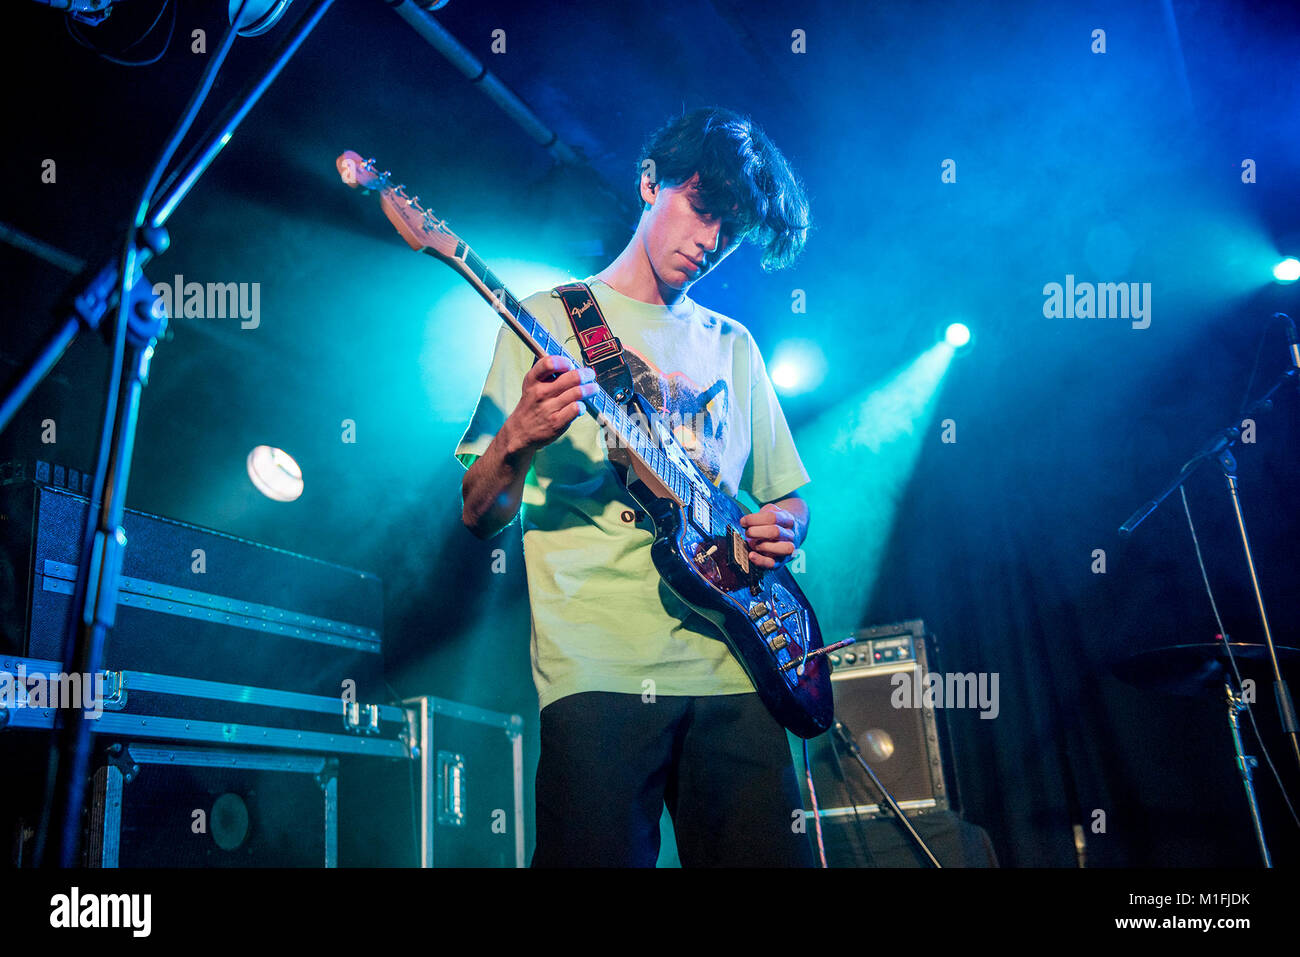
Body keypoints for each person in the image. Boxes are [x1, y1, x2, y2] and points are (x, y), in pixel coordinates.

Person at [456, 107, 814, 867]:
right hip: (600, 671)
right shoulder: (548, 317)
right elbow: (478, 512)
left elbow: (787, 497)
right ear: (649, 182)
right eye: (703, 210)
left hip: (737, 665)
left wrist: (785, 527)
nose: (711, 242)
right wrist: (517, 435)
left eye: (731, 230)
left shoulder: (734, 344)